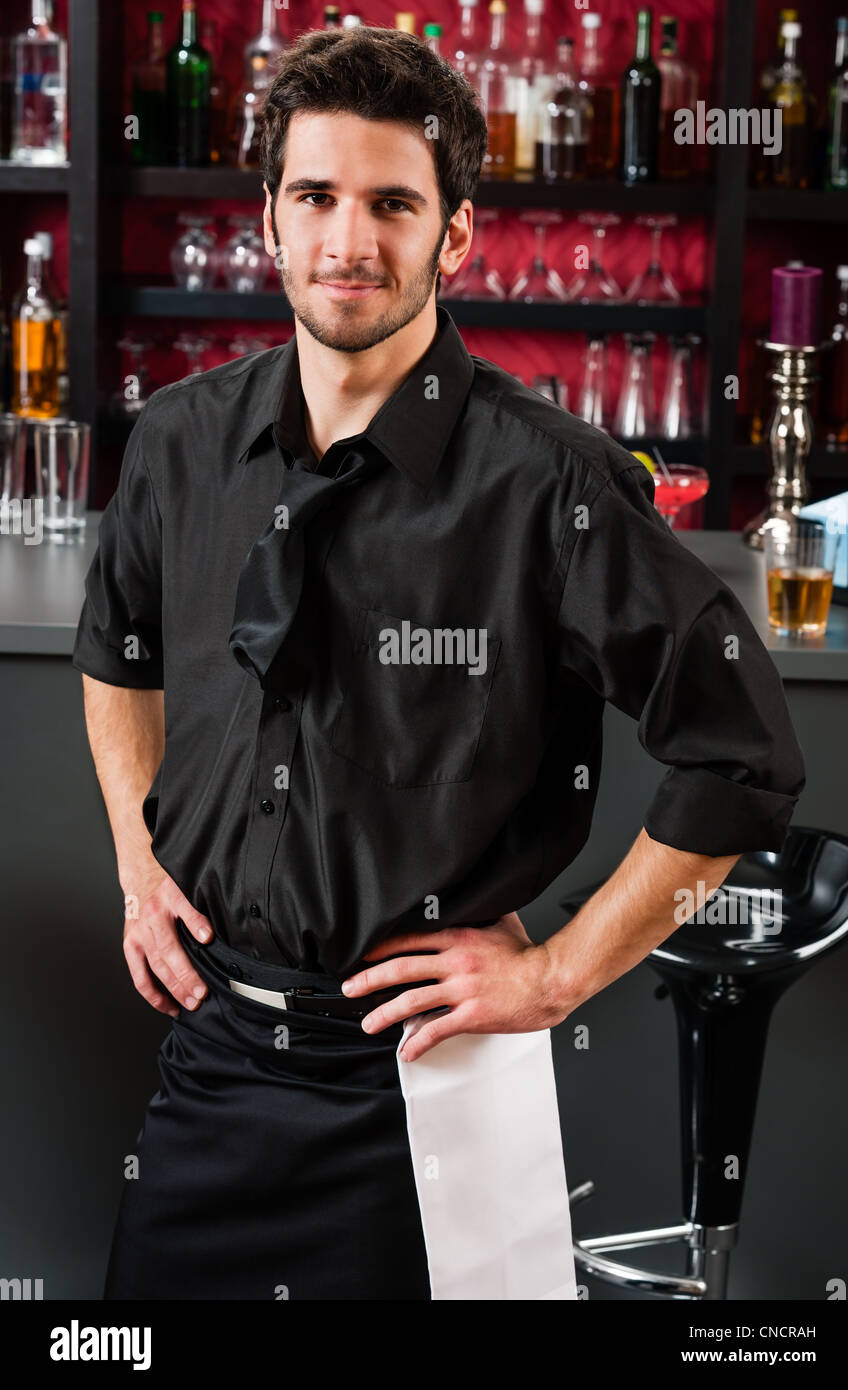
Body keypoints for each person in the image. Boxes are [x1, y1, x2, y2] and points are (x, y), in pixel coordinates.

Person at [73, 27, 805, 1301]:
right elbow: (117, 648)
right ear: (268, 218)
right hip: (211, 1064)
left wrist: (557, 972)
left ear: (453, 237)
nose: (347, 241)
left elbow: (740, 753)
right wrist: (141, 864)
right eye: (315, 197)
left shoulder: (552, 482)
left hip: (419, 1086)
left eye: (391, 204)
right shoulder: (180, 441)